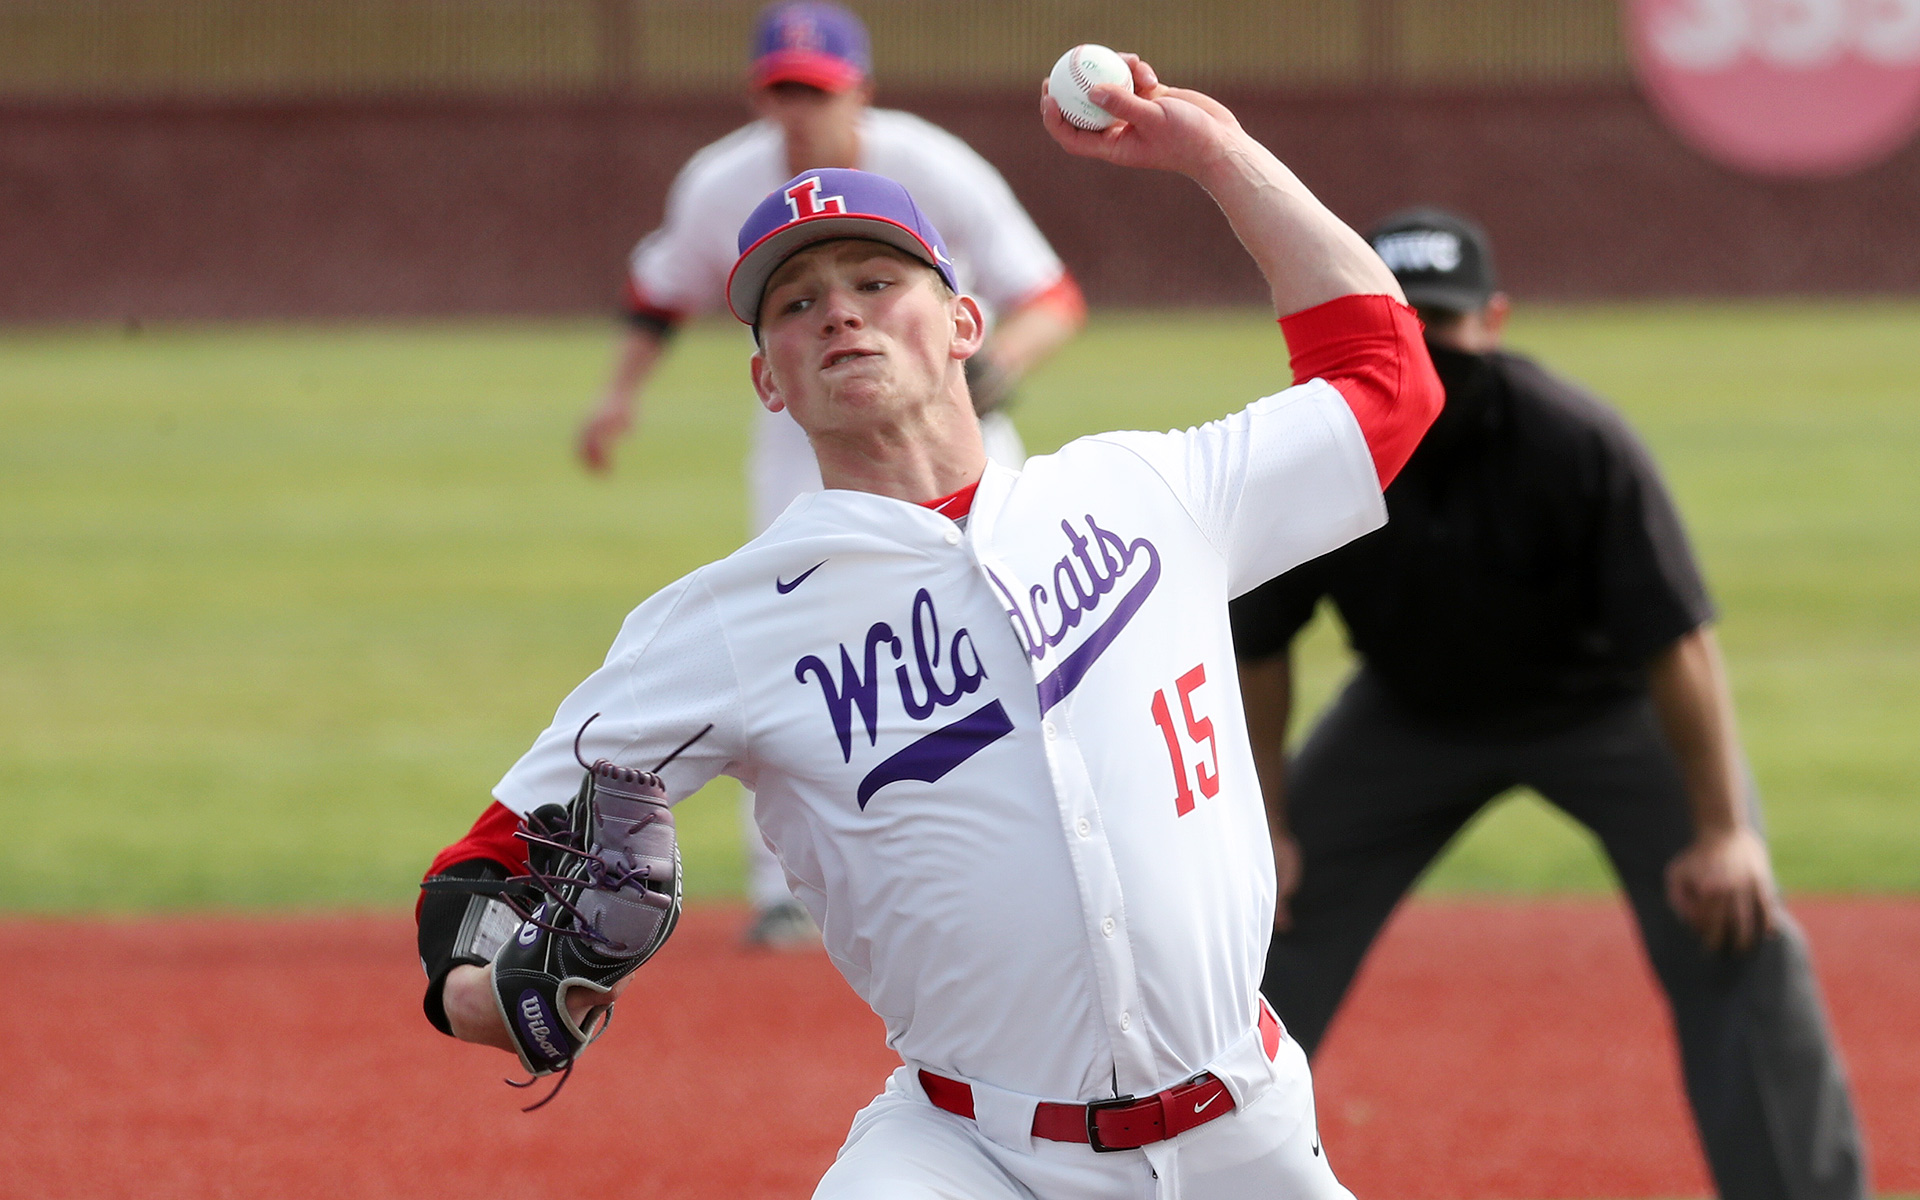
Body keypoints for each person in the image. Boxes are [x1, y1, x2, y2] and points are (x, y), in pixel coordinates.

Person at [418, 55, 1444, 1199]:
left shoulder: (1144, 492)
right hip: (970, 1151)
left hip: (1247, 1131)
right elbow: (476, 874)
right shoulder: (727, 623)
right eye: (797, 304)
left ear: (964, 322)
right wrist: (483, 991)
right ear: (770, 381)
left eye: (873, 279)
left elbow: (1387, 379)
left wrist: (1216, 154)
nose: (839, 313)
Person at [1231, 208, 1868, 1200]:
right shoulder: (1325, 447)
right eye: (1403, 318)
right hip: (1409, 716)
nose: (1429, 342)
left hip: (1603, 710)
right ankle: (1183, 1173)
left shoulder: (1574, 442)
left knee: (1734, 914)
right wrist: (1262, 826)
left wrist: (1722, 829)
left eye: (1445, 320)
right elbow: (1259, 646)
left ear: (1495, 319)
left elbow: (1677, 641)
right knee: (1251, 916)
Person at [576, 1, 1088, 945]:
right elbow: (659, 292)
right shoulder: (721, 182)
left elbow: (1051, 294)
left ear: (861, 89)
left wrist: (989, 373)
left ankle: (1053, 839)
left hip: (958, 430)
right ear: (758, 96)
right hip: (804, 442)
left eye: (816, 90)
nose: (800, 109)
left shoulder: (933, 165)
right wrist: (618, 397)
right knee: (802, 635)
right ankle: (783, 891)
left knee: (1013, 613)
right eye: (783, 91)